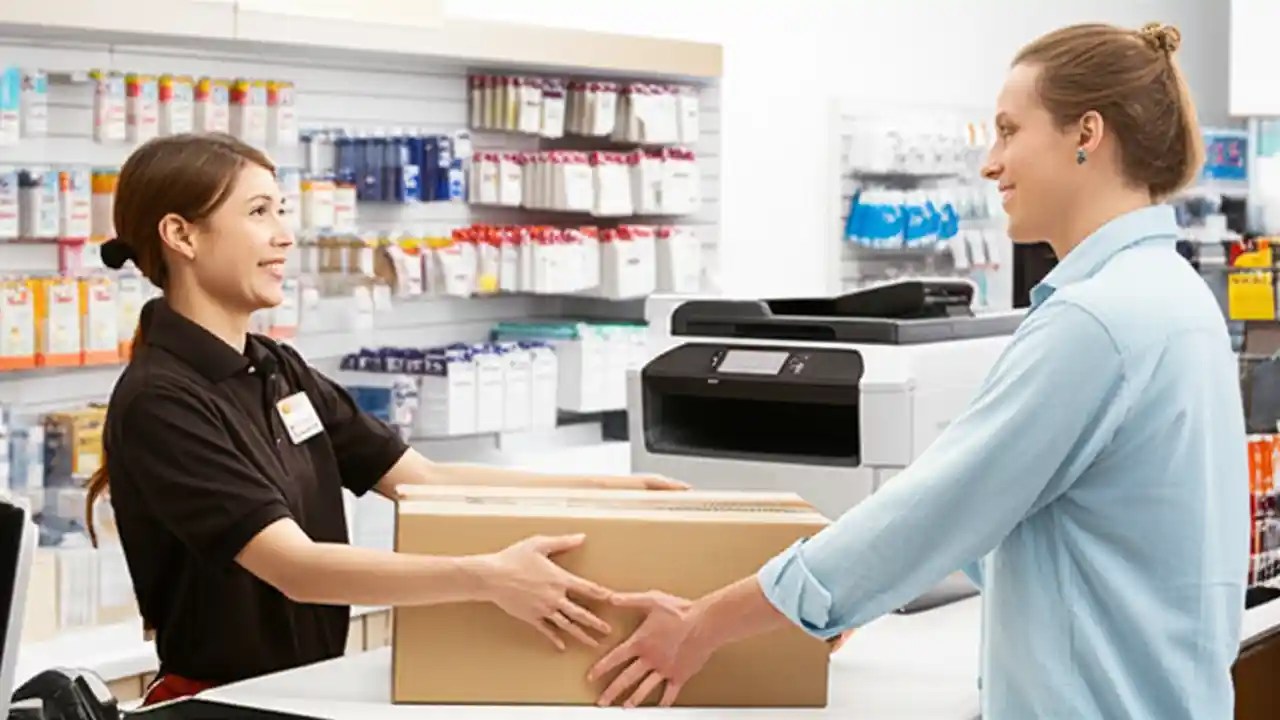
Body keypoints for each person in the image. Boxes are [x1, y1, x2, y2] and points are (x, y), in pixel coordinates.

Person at [590, 21, 1248, 719]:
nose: (990, 163)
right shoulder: (1173, 297)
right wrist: (848, 588)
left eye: (1008, 131)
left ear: (1086, 134)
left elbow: (934, 512)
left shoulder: (1095, 322)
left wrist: (702, 628)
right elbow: (1006, 522)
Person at [82, 132, 687, 706]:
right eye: (259, 211)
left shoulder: (275, 369)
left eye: (282, 210)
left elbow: (428, 483)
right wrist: (488, 578)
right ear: (181, 235)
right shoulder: (163, 402)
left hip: (303, 692)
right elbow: (295, 568)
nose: (285, 235)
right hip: (219, 702)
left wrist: (618, 491)